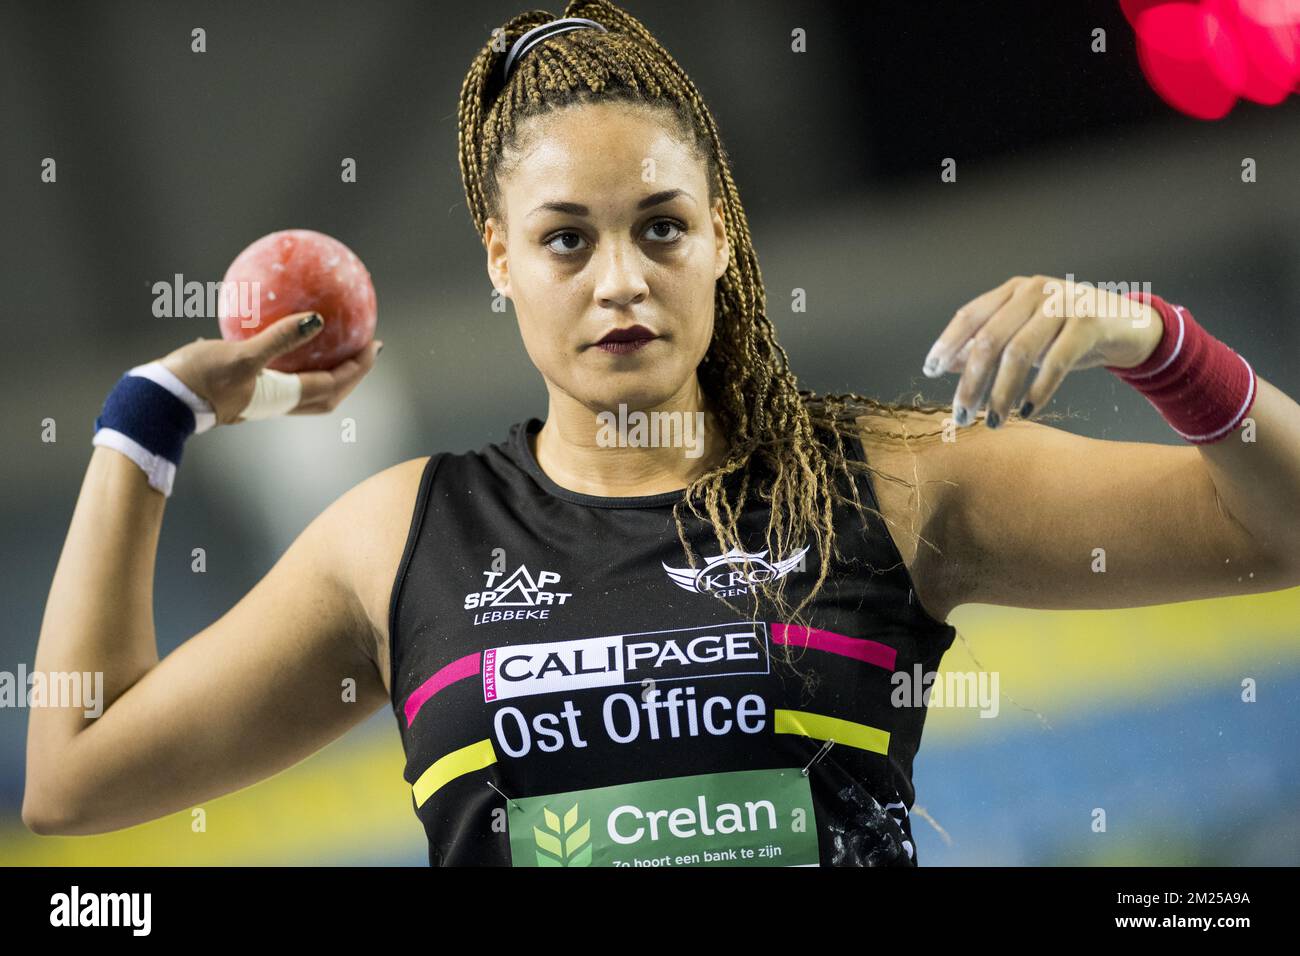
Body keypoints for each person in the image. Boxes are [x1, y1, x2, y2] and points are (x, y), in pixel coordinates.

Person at [23, 0, 1300, 867]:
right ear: (500, 263)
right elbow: (75, 778)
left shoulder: (889, 480)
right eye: (567, 238)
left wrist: (1160, 344)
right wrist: (150, 419)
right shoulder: (401, 537)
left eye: (662, 227)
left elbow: (1280, 526)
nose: (620, 278)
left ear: (722, 239)